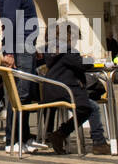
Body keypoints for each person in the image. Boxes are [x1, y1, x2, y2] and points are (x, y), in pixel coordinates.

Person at [0, 0, 43, 153]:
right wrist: (9, 52)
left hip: (26, 47)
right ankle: (12, 140)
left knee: (26, 94)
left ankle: (23, 138)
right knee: (20, 95)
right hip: (19, 47)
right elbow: (10, 22)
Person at [41, 21, 111, 155]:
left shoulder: (52, 50)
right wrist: (90, 59)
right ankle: (98, 142)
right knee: (91, 107)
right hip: (64, 90)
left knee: (88, 106)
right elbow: (80, 65)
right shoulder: (68, 51)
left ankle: (60, 134)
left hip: (52, 90)